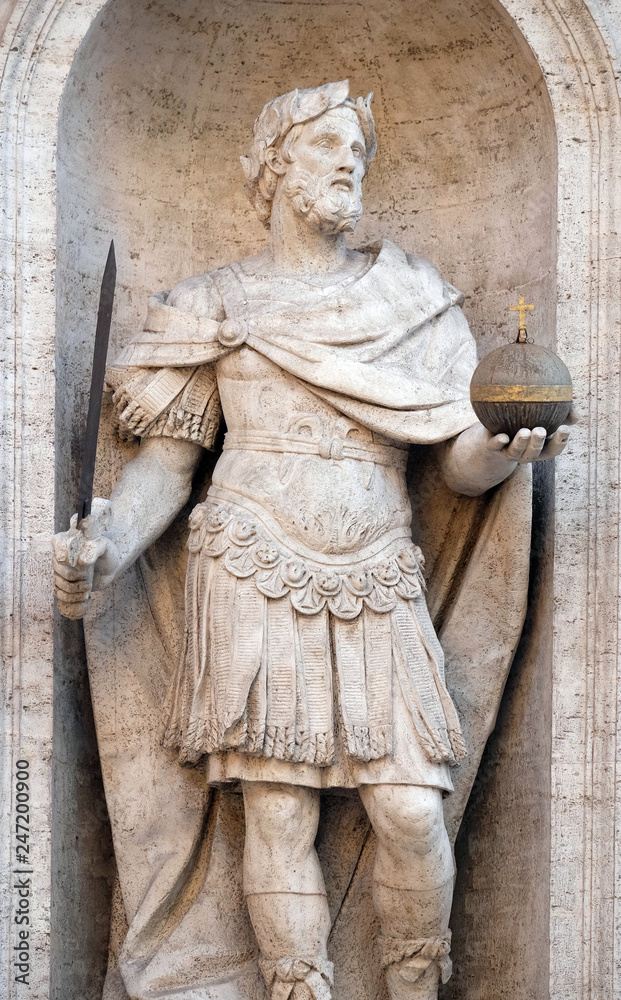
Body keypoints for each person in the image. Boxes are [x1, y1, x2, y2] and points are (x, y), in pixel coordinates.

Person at [52, 81, 570, 1000]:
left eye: (356, 151)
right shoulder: (213, 305)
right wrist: (107, 548)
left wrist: (499, 448)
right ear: (272, 167)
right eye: (327, 144)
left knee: (411, 808)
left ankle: (413, 987)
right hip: (252, 563)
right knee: (278, 815)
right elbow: (166, 471)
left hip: (375, 564)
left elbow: (455, 467)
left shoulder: (413, 303)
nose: (346, 164)